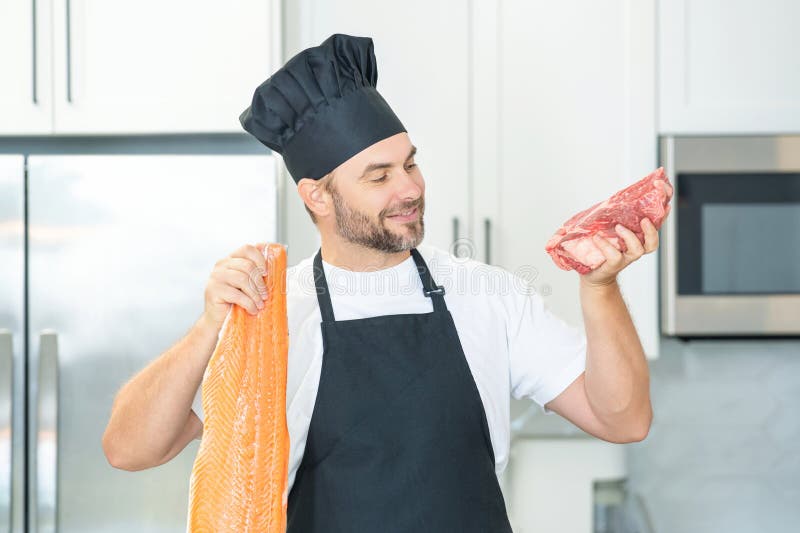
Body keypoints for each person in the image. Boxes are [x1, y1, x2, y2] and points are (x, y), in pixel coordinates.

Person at [103, 33, 659, 532]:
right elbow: (130, 449)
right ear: (317, 195)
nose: (410, 189)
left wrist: (601, 290)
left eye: (410, 164)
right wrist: (208, 327)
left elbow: (623, 419)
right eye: (380, 176)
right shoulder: (270, 316)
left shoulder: (486, 295)